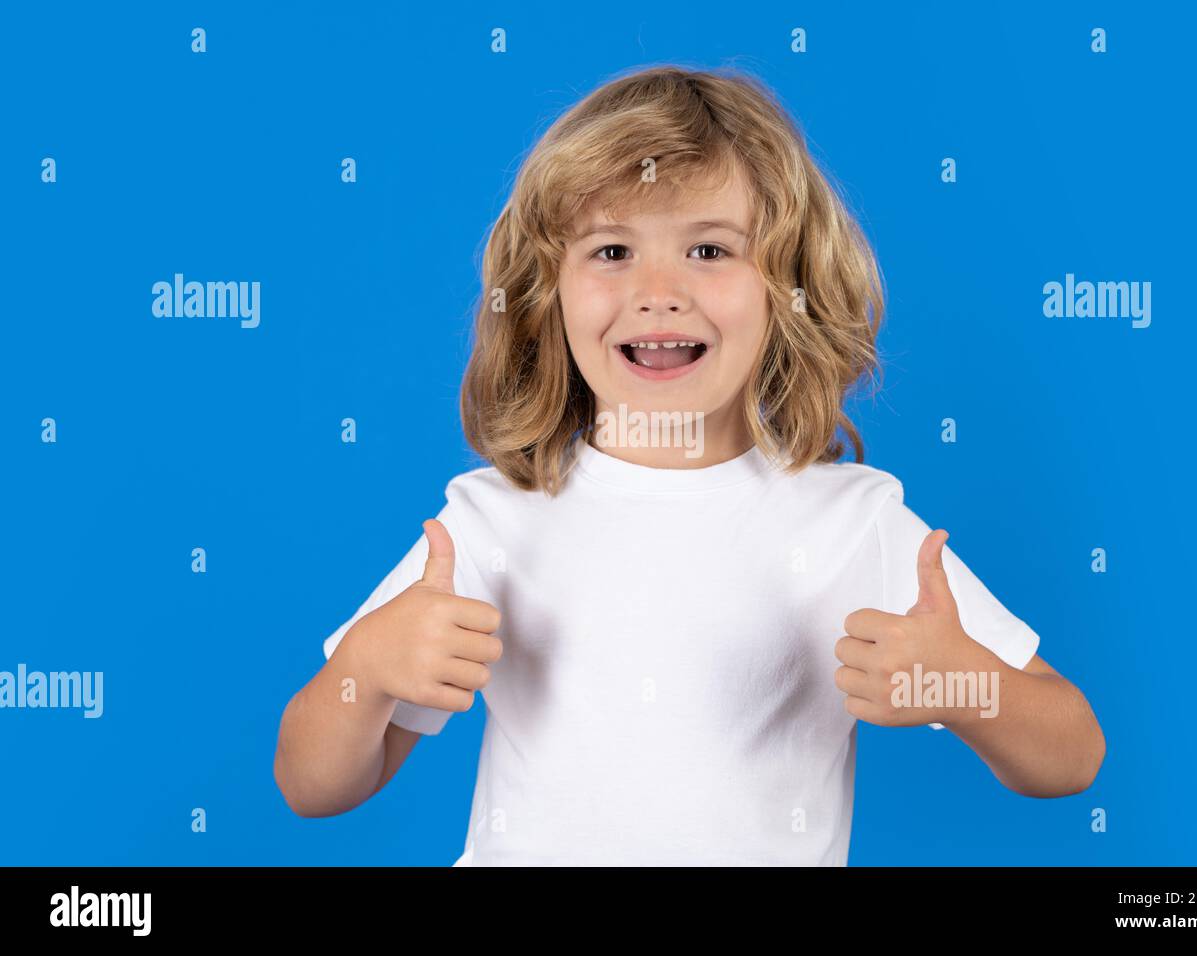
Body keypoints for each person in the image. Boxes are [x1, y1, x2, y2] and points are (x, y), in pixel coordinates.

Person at [273, 64, 1105, 866]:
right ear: (544, 295)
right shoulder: (492, 521)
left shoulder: (853, 523)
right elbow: (312, 785)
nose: (659, 290)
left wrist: (968, 683)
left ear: (789, 289)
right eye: (610, 252)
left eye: (709, 251)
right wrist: (365, 670)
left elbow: (1071, 755)